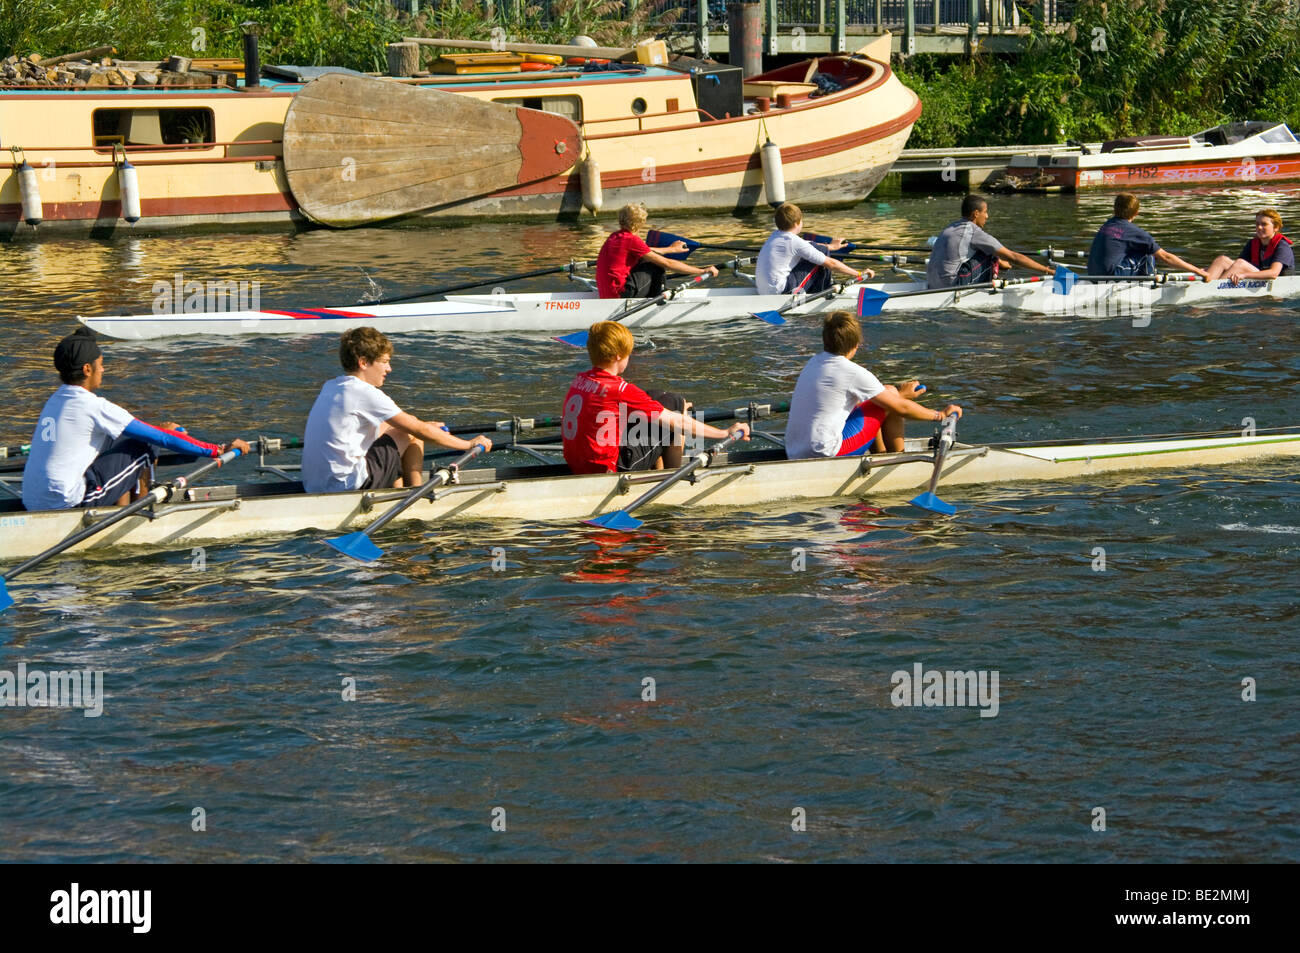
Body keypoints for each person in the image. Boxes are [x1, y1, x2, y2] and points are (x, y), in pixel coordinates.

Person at [21, 327, 250, 511]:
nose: (104, 369)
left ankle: (122, 504)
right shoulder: (92, 405)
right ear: (88, 369)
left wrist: (165, 431)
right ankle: (141, 511)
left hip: (31, 500)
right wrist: (217, 450)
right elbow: (162, 438)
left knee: (121, 440)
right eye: (101, 365)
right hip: (69, 501)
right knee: (146, 445)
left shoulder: (54, 401)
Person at [301, 327, 490, 494]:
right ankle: (418, 494)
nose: (389, 369)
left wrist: (422, 426)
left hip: (313, 485)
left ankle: (397, 490)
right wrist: (468, 444)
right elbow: (417, 429)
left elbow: (386, 428)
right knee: (412, 433)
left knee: (398, 429)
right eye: (384, 362)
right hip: (348, 485)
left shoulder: (331, 386)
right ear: (363, 362)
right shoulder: (363, 392)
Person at [561, 320, 749, 474]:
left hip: (578, 463)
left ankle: (657, 466)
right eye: (629, 353)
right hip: (611, 469)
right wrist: (725, 433)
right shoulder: (619, 389)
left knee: (655, 396)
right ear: (618, 356)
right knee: (675, 406)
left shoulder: (580, 380)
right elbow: (677, 421)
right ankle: (674, 477)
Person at [785, 311, 962, 460]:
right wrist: (939, 415)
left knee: (881, 396)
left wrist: (899, 397)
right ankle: (897, 460)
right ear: (856, 346)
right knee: (891, 393)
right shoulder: (853, 372)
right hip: (826, 452)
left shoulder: (812, 363)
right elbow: (901, 408)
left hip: (793, 451)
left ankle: (881, 454)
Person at [927, 194, 1054, 288]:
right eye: (985, 212)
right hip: (952, 286)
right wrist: (1048, 271)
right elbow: (1014, 257)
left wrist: (1000, 262)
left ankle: (996, 267)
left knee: (988, 253)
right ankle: (993, 290)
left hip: (932, 284)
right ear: (976, 214)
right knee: (990, 254)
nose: (987, 216)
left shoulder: (950, 227)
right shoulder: (973, 231)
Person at [596, 203, 717, 299]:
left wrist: (671, 249)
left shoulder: (615, 237)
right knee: (655, 264)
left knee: (644, 260)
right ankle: (661, 299)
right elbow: (667, 263)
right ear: (641, 223)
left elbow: (648, 251)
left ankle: (657, 293)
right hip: (620, 294)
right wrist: (702, 270)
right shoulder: (632, 240)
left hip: (606, 293)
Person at [755, 203, 870, 295]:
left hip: (762, 290)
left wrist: (832, 246)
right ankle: (824, 291)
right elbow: (831, 264)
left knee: (819, 250)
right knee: (822, 253)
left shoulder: (774, 236)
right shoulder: (794, 242)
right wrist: (858, 273)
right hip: (781, 291)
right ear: (797, 223)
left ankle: (818, 287)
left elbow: (807, 244)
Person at [1087, 193, 1208, 278]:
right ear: (1136, 213)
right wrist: (1197, 270)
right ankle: (1149, 286)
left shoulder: (1107, 224)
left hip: (1093, 274)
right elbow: (1166, 257)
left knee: (1137, 250)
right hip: (1109, 277)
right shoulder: (1133, 232)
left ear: (1114, 209)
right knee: (1148, 254)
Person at [1205, 208, 1293, 284]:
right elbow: (1235, 266)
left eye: (1264, 224)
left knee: (1240, 263)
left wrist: (1244, 275)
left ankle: (1213, 289)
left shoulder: (1282, 246)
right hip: (1258, 276)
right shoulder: (1252, 243)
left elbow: (1273, 273)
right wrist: (1207, 269)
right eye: (1257, 224)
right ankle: (1206, 284)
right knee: (1222, 260)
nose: (1259, 227)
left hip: (1275, 281)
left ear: (1276, 228)